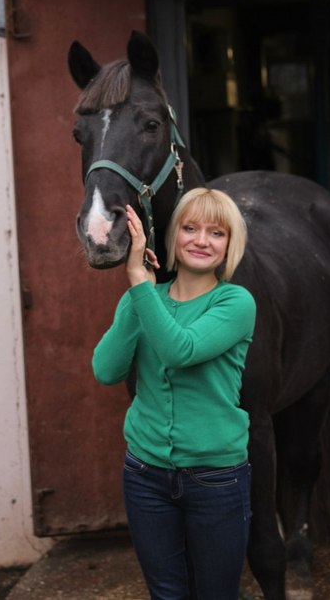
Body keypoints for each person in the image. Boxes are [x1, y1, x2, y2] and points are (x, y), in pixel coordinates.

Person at [92, 187, 256, 600]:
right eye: (190, 228)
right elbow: (106, 370)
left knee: (216, 594)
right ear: (173, 235)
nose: (202, 240)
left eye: (217, 233)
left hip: (215, 477)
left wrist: (138, 283)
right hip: (144, 475)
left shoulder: (236, 302)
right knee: (166, 595)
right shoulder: (145, 298)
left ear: (230, 245)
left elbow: (180, 350)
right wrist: (140, 294)